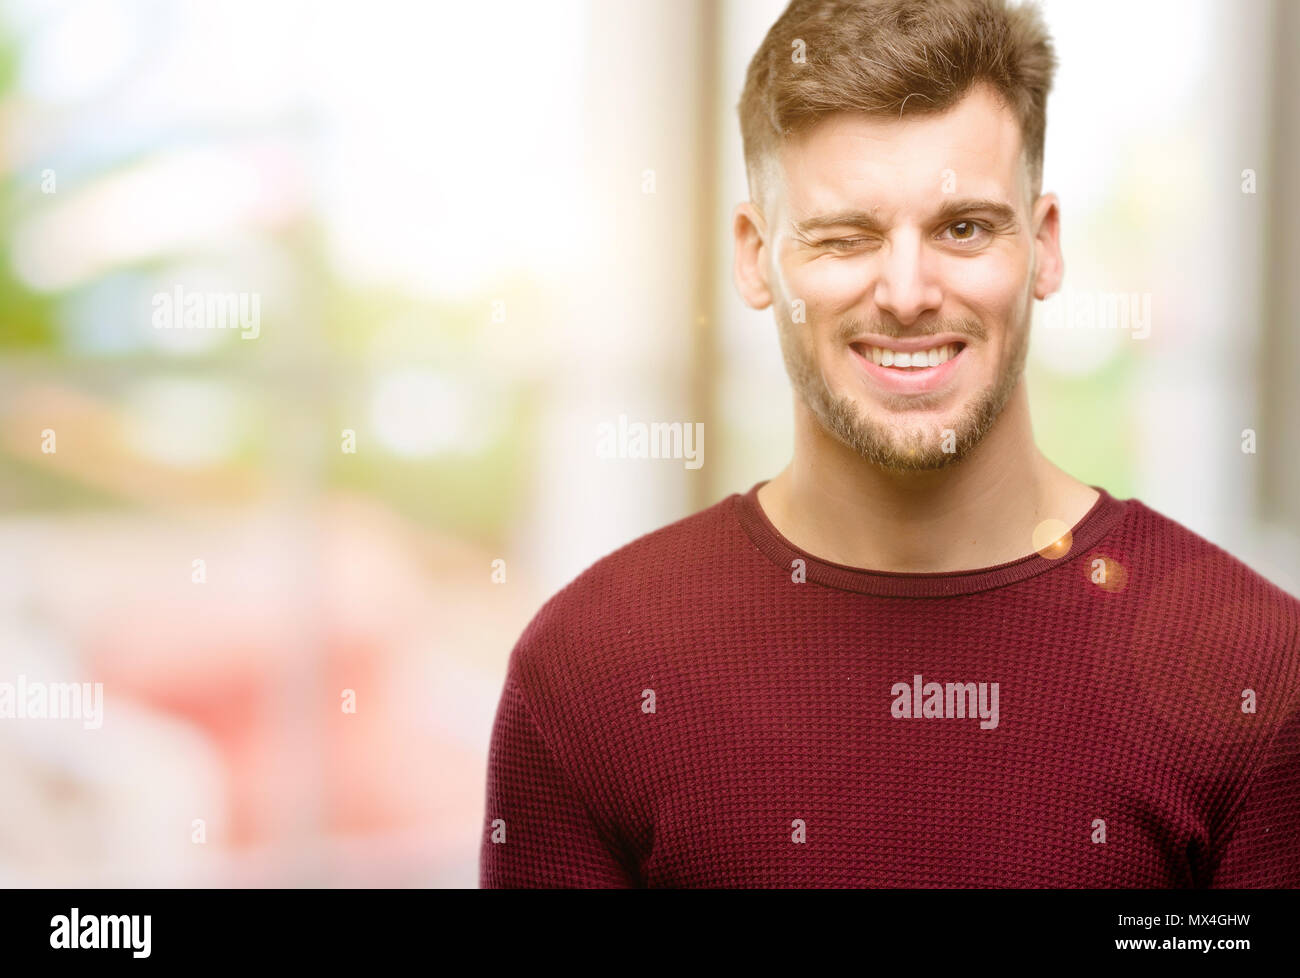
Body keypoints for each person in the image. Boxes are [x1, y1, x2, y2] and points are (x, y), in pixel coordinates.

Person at [481, 0, 1300, 887]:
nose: (907, 294)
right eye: (846, 237)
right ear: (755, 256)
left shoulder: (1259, 670)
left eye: (964, 228)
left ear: (1045, 246)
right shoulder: (588, 670)